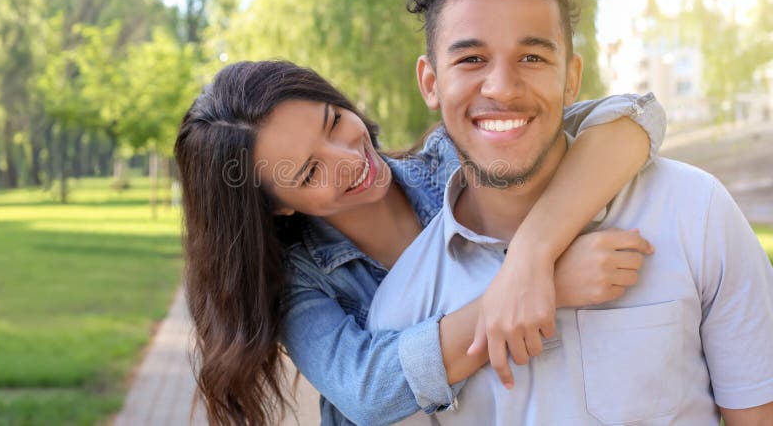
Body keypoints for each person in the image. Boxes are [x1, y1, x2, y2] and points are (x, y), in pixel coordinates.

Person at [366, 0, 773, 425]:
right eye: (471, 59)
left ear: (572, 77)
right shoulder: (403, 311)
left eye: (532, 57)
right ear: (430, 82)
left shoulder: (695, 212)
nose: (502, 88)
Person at [175, 60, 663, 425]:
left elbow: (632, 117)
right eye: (309, 171)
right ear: (277, 205)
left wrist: (533, 255)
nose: (348, 156)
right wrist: (547, 286)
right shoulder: (300, 281)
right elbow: (367, 388)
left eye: (332, 122)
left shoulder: (455, 160)